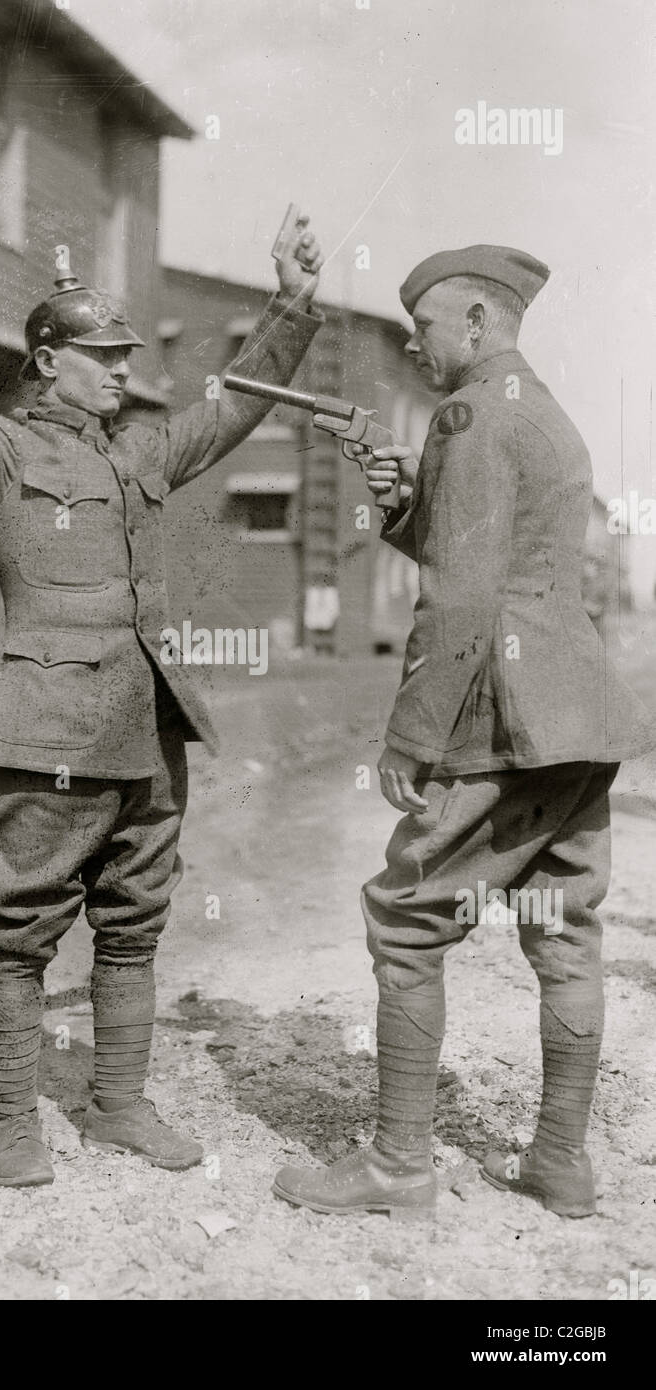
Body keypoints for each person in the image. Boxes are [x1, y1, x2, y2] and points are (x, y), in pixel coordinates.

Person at [0, 179, 323, 1187]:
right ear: (47, 361)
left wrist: (290, 305)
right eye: (102, 360)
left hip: (145, 727)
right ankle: (9, 1123)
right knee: (26, 924)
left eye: (127, 360)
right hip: (45, 729)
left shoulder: (137, 454)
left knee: (134, 918)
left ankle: (119, 1100)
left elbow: (234, 404)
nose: (121, 376)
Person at [273, 244, 654, 1220]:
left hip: (501, 711)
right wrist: (403, 498)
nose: (413, 340)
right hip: (575, 713)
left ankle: (398, 1167)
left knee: (405, 922)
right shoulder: (542, 412)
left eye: (426, 323)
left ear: (477, 320)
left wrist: (411, 736)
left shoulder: (469, 415)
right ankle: (558, 1163)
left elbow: (464, 591)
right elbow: (494, 548)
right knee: (562, 930)